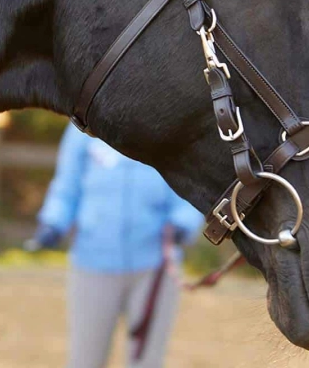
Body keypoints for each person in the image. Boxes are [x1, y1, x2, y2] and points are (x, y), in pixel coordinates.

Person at [25, 123, 203, 368]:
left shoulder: (165, 125)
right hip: (92, 264)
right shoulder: (81, 130)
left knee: (148, 361)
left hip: (155, 268)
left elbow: (187, 188)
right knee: (86, 358)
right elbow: (66, 187)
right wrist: (53, 223)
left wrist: (184, 222)